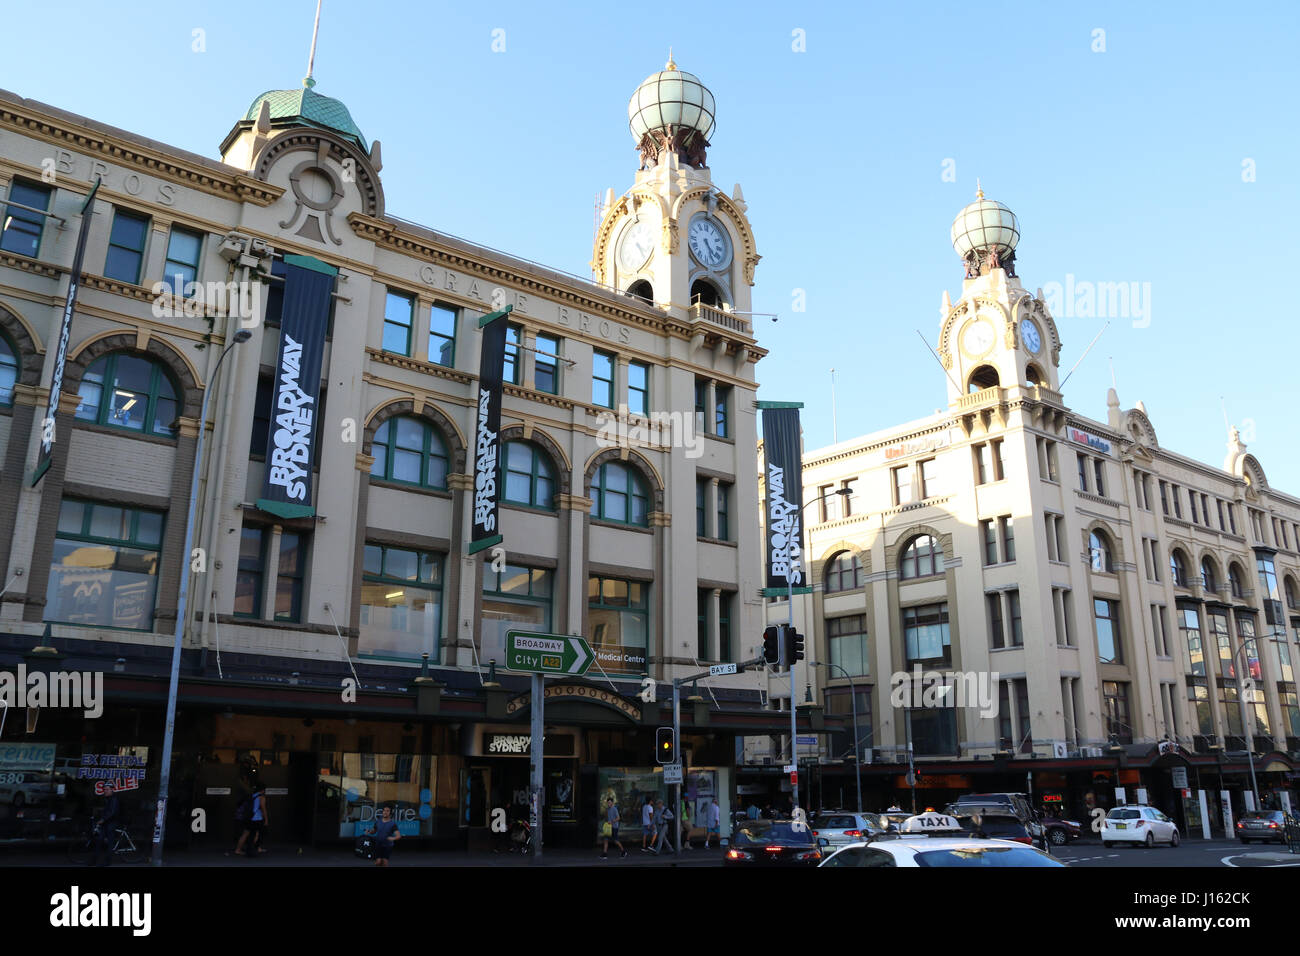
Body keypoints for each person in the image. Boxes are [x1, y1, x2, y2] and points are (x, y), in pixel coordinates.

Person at [92, 790, 121, 867]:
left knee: (109, 843)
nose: (105, 791)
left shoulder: (113, 799)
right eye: (104, 789)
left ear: (112, 790)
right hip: (106, 823)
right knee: (99, 840)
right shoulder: (108, 799)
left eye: (107, 789)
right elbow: (107, 810)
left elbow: (112, 812)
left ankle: (107, 862)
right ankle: (95, 860)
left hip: (110, 824)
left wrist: (103, 819)